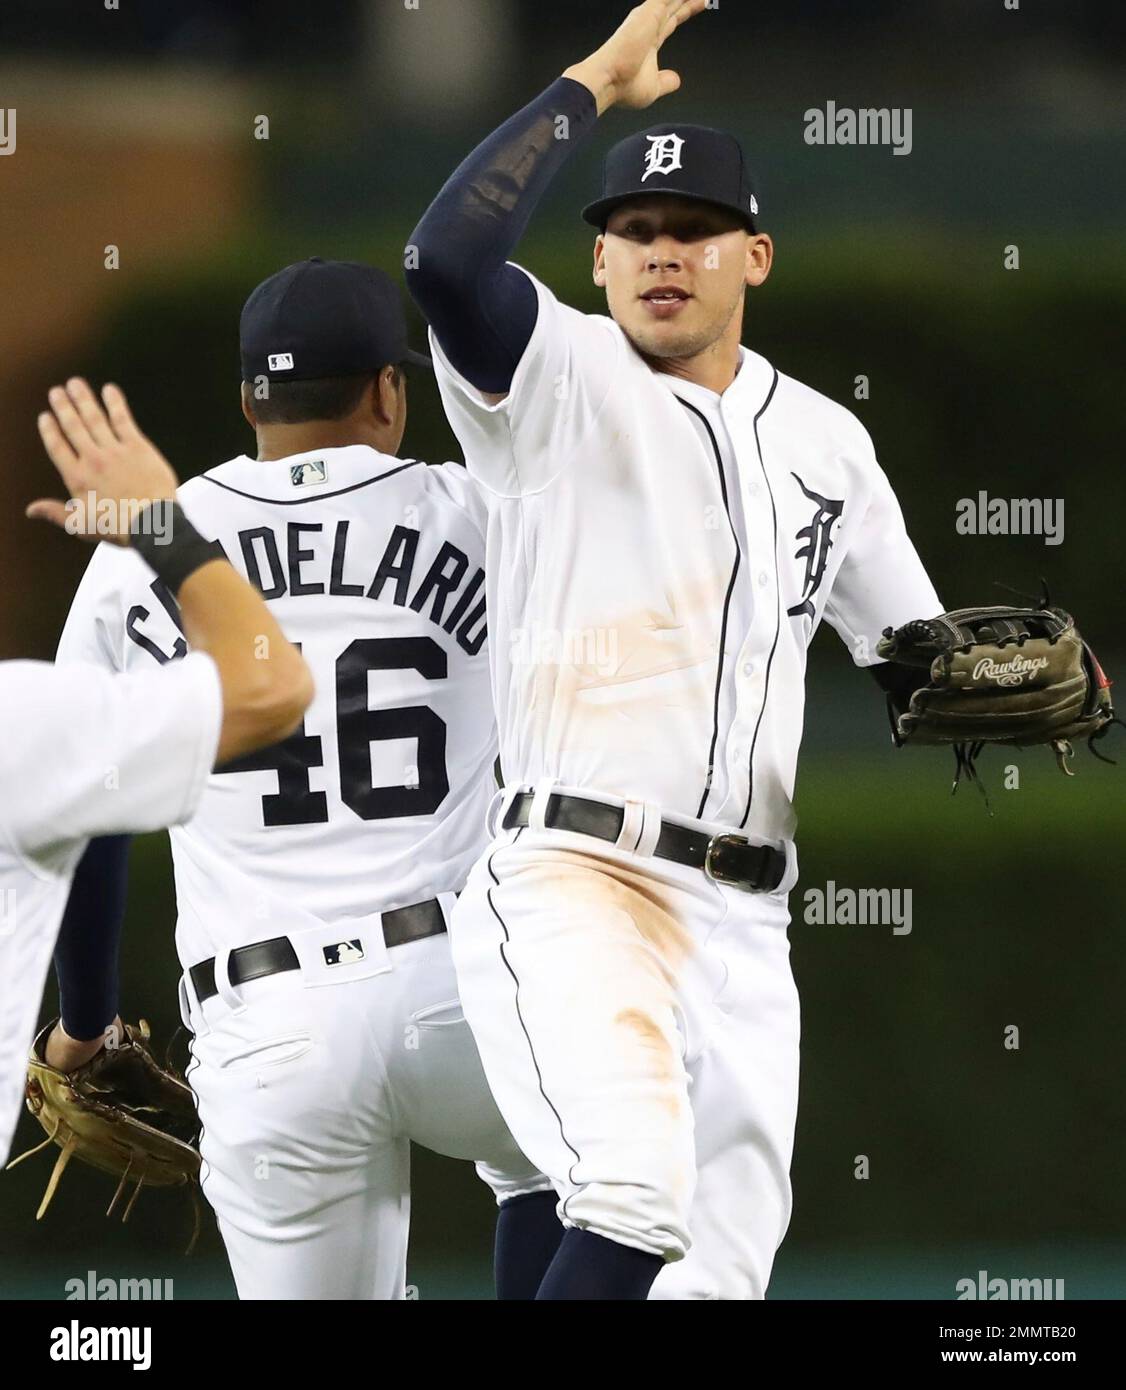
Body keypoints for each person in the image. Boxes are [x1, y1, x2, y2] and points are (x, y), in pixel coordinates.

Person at [406, 0, 941, 1299]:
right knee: (629, 1191)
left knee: (711, 1280)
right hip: (574, 872)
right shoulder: (554, 382)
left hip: (746, 920)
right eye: (631, 230)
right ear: (594, 264)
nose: (660, 250)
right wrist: (594, 81)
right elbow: (442, 258)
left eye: (693, 230)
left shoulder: (828, 442)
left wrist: (1003, 685)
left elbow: (917, 662)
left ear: (751, 254)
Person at [48, 261, 552, 1300]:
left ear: (247, 402)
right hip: (468, 987)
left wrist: (85, 1022)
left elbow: (88, 815)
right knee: (589, 1171)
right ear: (387, 389)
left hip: (266, 1021)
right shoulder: (482, 514)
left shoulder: (147, 546)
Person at [1, 377, 312, 1167]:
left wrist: (88, 1022)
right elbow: (270, 686)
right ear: (388, 392)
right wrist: (156, 524)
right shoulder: (21, 721)